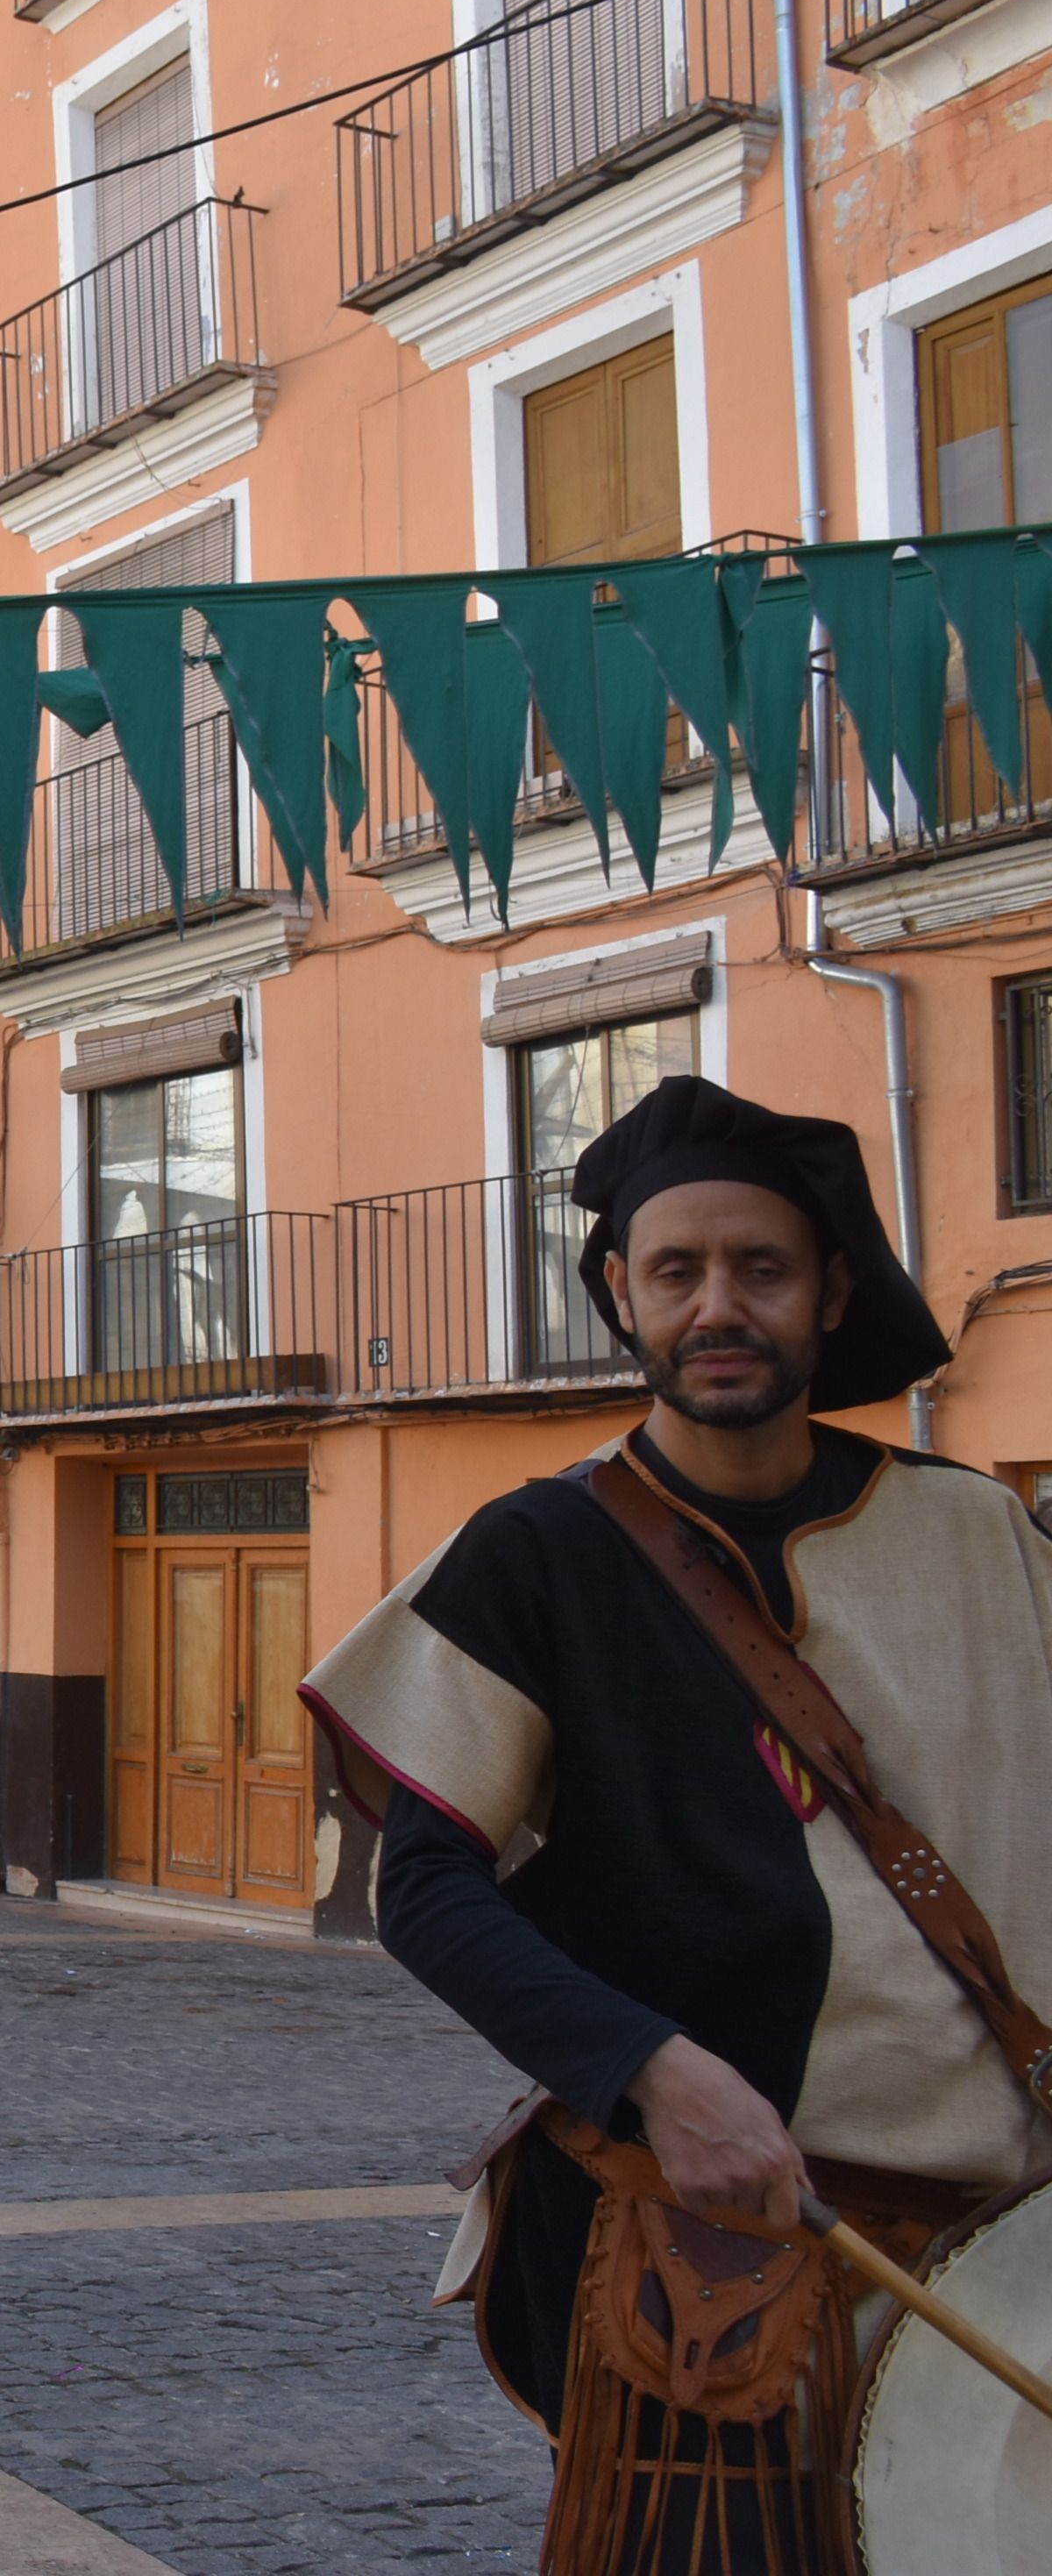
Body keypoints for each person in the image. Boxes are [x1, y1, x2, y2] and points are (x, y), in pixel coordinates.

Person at [308, 1074, 1050, 2569]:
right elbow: (428, 1893)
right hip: (725, 2267)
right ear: (619, 1296)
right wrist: (649, 2071)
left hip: (1009, 2250)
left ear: (829, 1293)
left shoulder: (991, 1538)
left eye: (761, 1269)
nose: (720, 1305)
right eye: (677, 1271)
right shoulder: (535, 1555)